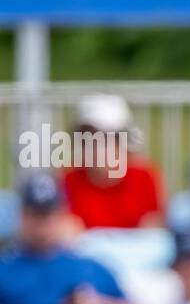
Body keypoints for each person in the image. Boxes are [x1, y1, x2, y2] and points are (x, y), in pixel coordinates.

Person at [0, 174, 136, 304]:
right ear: (21, 216)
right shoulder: (5, 268)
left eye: (48, 214)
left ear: (62, 215)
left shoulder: (88, 267)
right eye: (35, 214)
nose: (42, 224)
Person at [63, 93, 166, 229]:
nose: (95, 147)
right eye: (86, 138)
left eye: (105, 138)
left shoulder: (144, 177)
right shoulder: (70, 180)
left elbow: (154, 228)